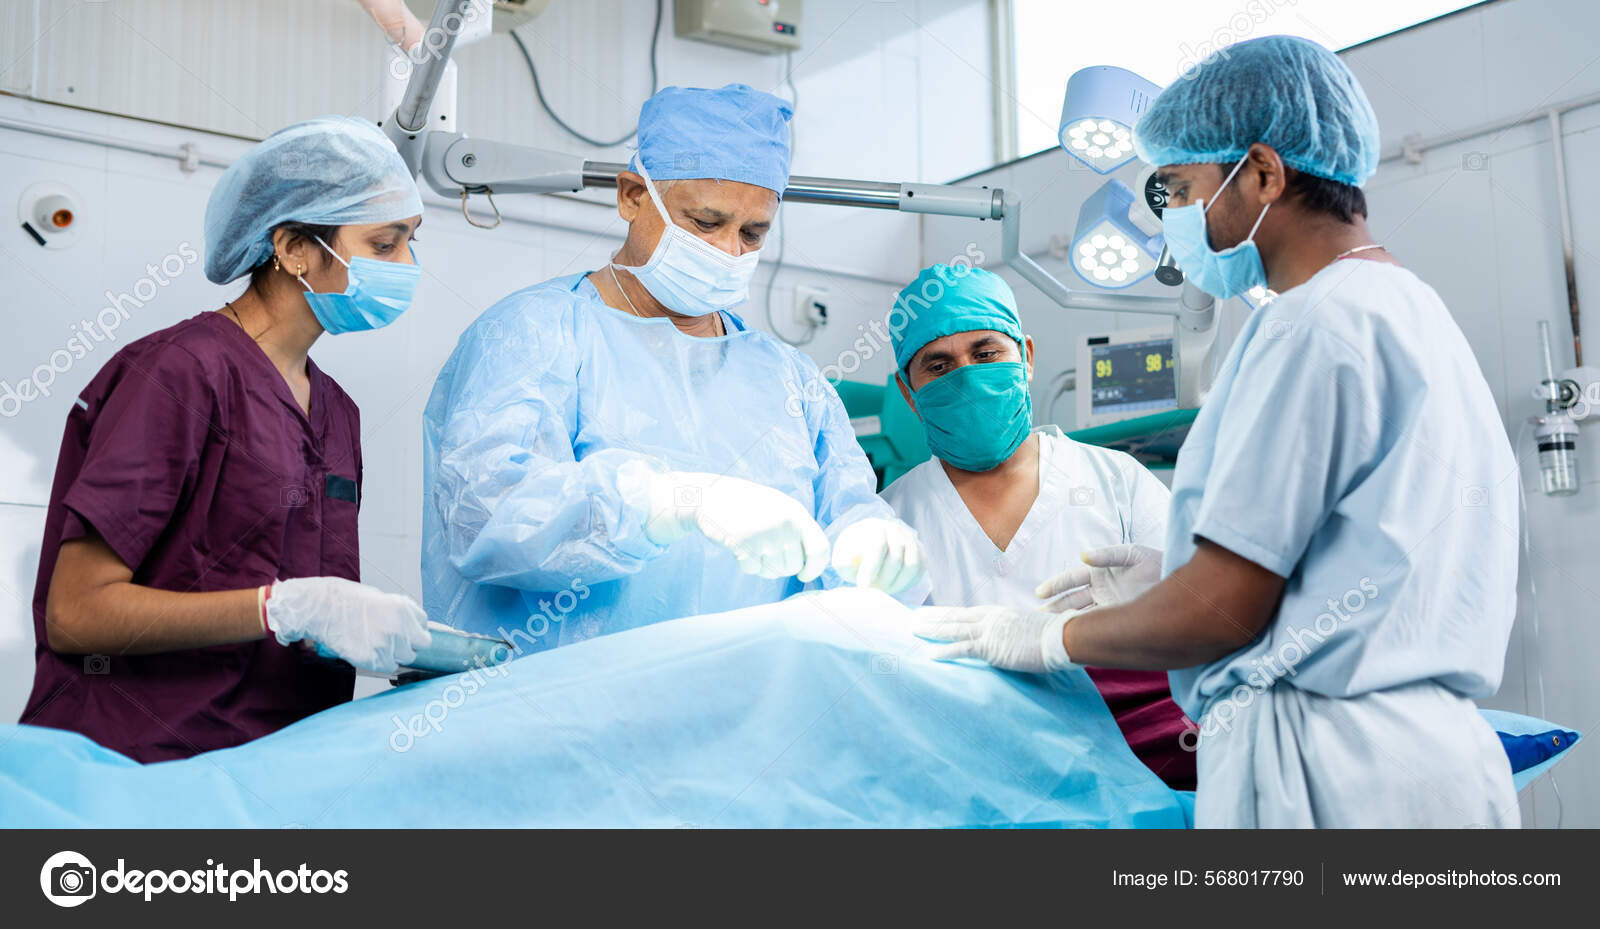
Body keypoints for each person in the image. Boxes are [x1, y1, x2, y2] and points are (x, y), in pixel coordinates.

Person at [912, 36, 1520, 827]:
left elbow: (1223, 615)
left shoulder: (1310, 326)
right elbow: (1362, 553)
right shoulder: (1408, 310)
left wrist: (1046, 635)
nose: (1171, 218)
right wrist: (1176, 574)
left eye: (1178, 188)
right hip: (1425, 762)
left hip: (1333, 773)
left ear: (1264, 172)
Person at [424, 84, 926, 652]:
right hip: (567, 714)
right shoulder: (533, 333)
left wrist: (871, 544)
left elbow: (846, 513)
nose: (730, 251)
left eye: (753, 232)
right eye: (706, 223)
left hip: (746, 715)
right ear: (633, 196)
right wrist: (667, 504)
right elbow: (487, 516)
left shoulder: (793, 380)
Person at [19, 116, 433, 763]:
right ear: (295, 247)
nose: (408, 266)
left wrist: (382, 638)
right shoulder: (180, 374)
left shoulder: (339, 413)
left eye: (412, 242)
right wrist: (282, 608)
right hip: (140, 771)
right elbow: (76, 613)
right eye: (385, 244)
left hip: (272, 772)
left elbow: (309, 613)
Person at [880, 264, 1195, 789]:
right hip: (963, 778)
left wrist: (1155, 603)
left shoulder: (1116, 481)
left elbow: (1203, 619)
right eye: (938, 365)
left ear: (1025, 356)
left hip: (1124, 769)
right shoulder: (890, 517)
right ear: (908, 392)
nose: (967, 376)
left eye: (986, 354)